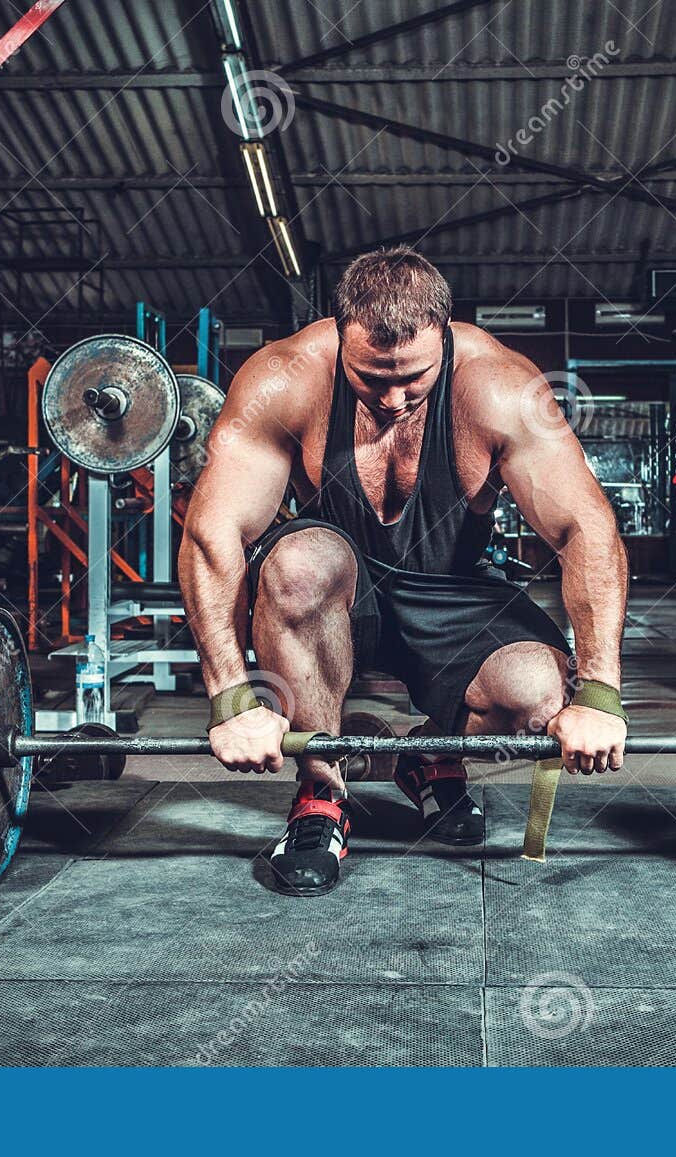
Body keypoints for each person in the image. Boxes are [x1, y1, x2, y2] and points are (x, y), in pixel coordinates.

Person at [179, 247, 627, 896]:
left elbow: (586, 529)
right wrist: (230, 698)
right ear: (340, 336)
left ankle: (430, 755)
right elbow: (212, 532)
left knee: (540, 696)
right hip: (337, 580)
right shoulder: (286, 379)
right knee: (298, 565)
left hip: (453, 588)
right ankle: (322, 794)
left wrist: (600, 695)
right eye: (370, 378)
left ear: (443, 335)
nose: (392, 399)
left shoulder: (499, 388)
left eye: (413, 378)